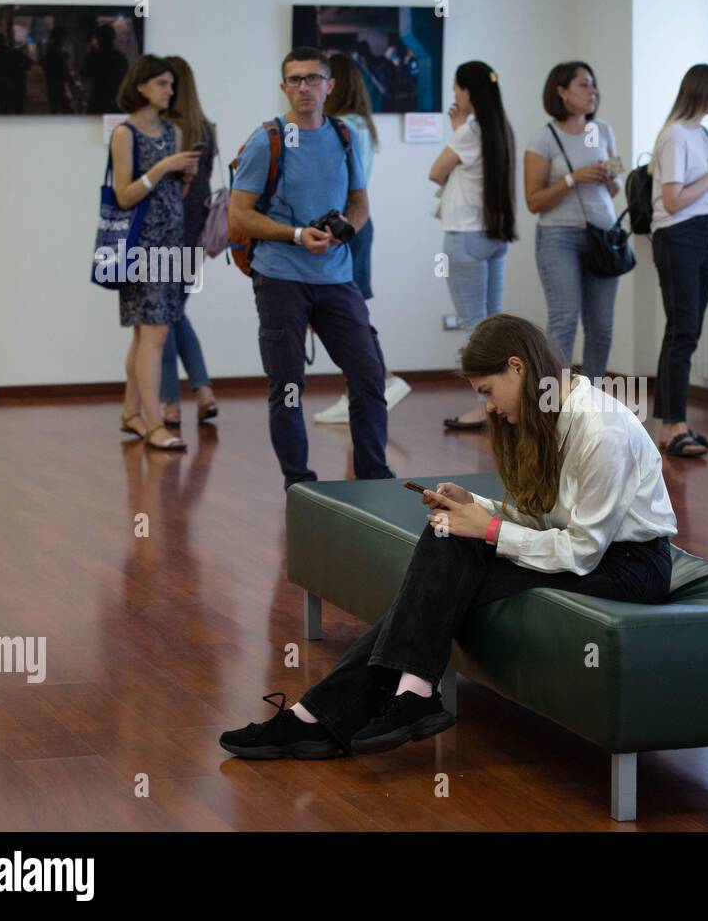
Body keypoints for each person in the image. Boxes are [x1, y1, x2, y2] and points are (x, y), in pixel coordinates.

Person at [218, 314, 678, 760]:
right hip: (589, 552)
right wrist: (475, 505)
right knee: (447, 535)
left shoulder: (601, 430)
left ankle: (324, 715)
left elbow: (582, 550)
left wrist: (490, 528)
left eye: (488, 392)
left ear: (517, 367)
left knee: (437, 590)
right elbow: (544, 518)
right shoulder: (546, 416)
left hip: (630, 570)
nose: (489, 407)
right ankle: (405, 694)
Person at [229, 47, 394, 489]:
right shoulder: (267, 139)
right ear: (284, 87)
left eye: (313, 78)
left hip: (337, 277)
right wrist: (297, 234)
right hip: (280, 276)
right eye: (295, 80)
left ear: (330, 85)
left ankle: (375, 477)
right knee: (287, 384)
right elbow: (239, 215)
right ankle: (299, 483)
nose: (305, 87)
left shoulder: (344, 135)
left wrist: (345, 231)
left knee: (368, 374)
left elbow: (359, 202)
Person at [314, 52, 413, 426]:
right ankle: (364, 387)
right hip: (353, 224)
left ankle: (376, 382)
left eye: (319, 79)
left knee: (346, 313)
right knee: (349, 312)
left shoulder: (343, 126)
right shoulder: (359, 124)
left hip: (344, 226)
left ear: (333, 84)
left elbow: (335, 181)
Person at [110, 55, 201, 452]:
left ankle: (131, 413)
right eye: (162, 83)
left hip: (171, 240)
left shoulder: (172, 131)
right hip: (140, 244)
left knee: (146, 332)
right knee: (155, 331)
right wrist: (163, 167)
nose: (169, 90)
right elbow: (124, 195)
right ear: (141, 85)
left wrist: (184, 178)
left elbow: (174, 196)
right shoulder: (125, 133)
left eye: (171, 84)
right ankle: (153, 422)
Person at [649, 64, 708, 458]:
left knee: (686, 330)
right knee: (683, 331)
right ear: (701, 91)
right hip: (677, 235)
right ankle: (674, 425)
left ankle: (670, 425)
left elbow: (697, 188)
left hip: (701, 231)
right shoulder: (675, 136)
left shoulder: (702, 134)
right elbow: (672, 200)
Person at [524, 62, 624, 389]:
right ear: (562, 92)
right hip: (558, 236)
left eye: (593, 84)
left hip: (604, 236)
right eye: (583, 84)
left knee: (602, 325)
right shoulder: (543, 138)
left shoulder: (604, 131)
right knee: (564, 320)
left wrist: (609, 178)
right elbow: (533, 201)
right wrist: (572, 178)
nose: (592, 90)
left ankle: (591, 399)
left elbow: (616, 188)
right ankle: (556, 400)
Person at [430, 61, 518, 430]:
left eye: (456, 90)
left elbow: (436, 172)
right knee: (492, 323)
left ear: (467, 91)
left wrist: (457, 129)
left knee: (475, 328)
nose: (455, 96)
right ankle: (507, 402)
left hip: (463, 236)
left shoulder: (469, 130)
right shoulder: (501, 129)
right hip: (493, 236)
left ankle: (486, 406)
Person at [158, 55, 219, 429]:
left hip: (165, 233)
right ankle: (203, 390)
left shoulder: (165, 130)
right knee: (174, 314)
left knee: (162, 319)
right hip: (196, 233)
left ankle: (171, 404)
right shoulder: (206, 129)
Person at [82, 24, 130, 114]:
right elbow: (127, 78)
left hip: (97, 100)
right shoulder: (119, 58)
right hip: (114, 101)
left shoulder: (93, 57)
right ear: (112, 39)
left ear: (98, 39)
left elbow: (84, 75)